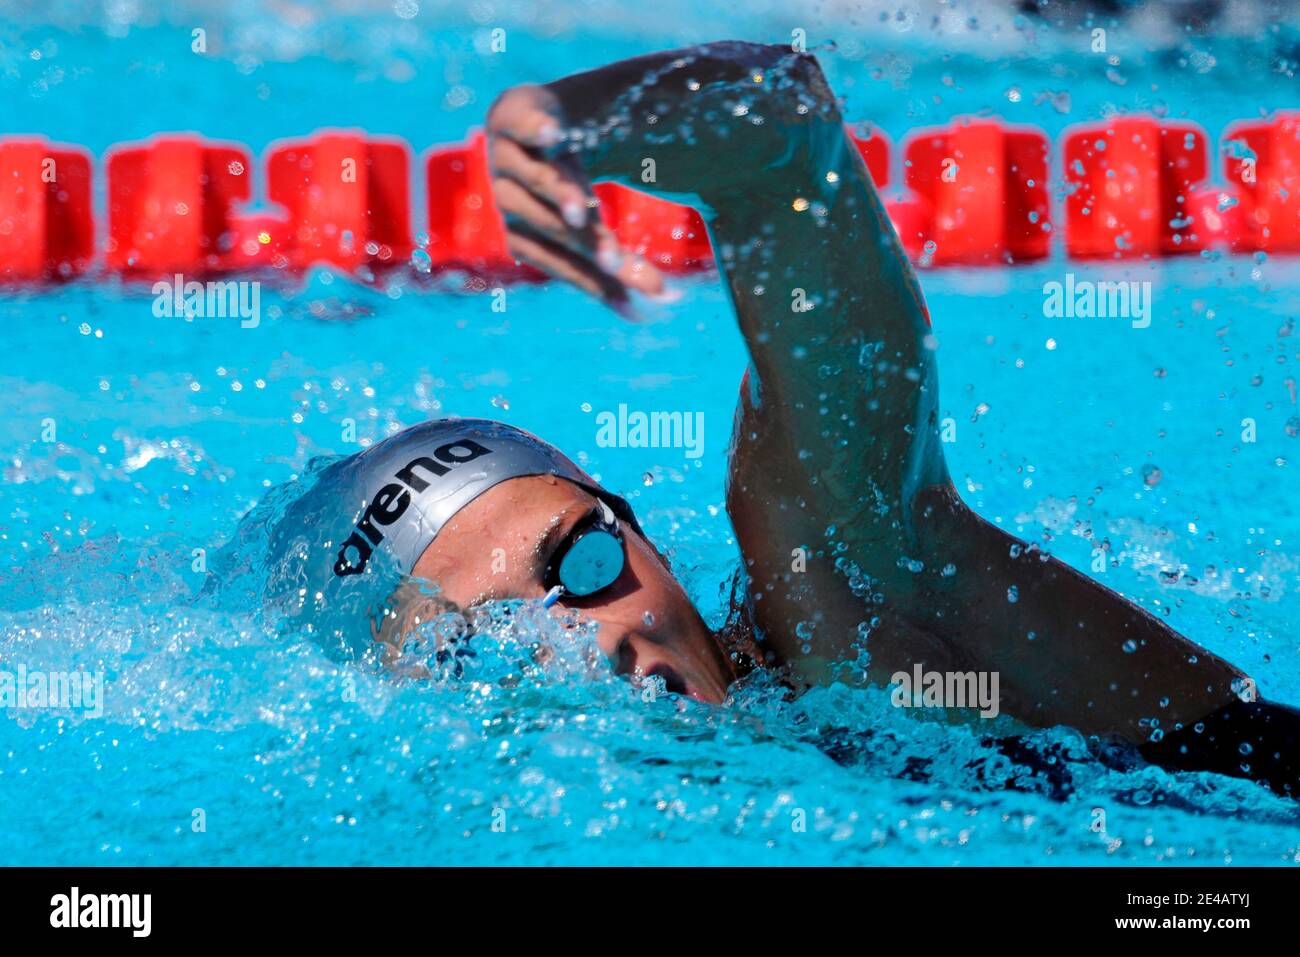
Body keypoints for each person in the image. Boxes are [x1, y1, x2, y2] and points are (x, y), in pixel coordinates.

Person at [258, 41, 1299, 797]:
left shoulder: (845, 609)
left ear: (643, 533)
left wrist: (573, 122)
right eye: (480, 646)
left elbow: (785, 144)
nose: (589, 642)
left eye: (580, 562)